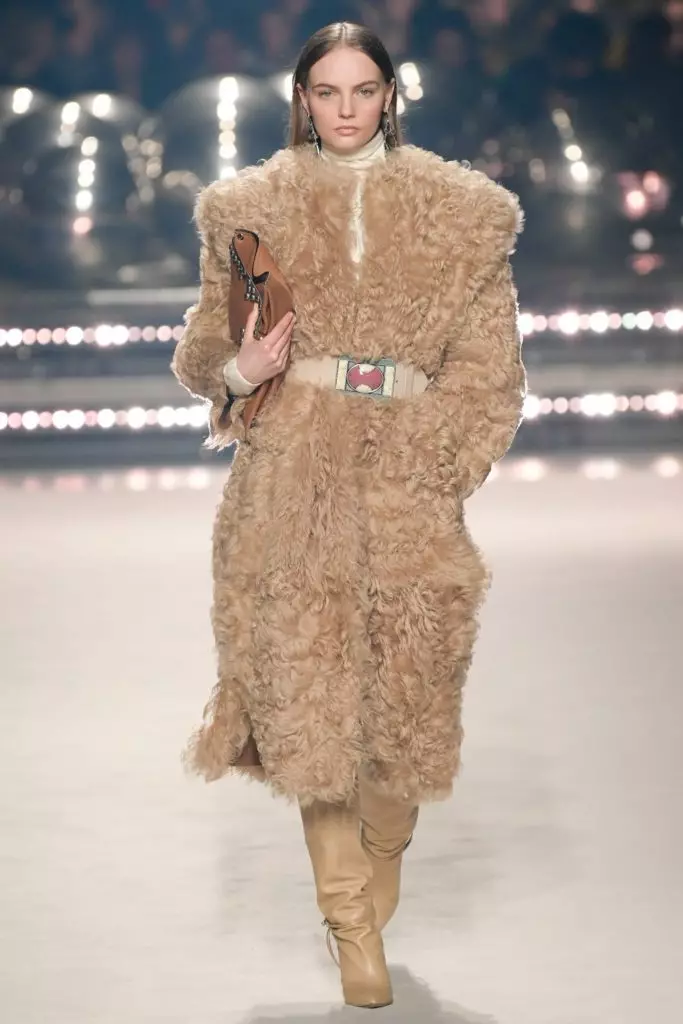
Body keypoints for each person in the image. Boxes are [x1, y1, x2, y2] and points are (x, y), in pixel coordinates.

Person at [171, 21, 525, 1010]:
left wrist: (434, 462)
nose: (342, 108)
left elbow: (491, 375)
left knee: (406, 705)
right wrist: (242, 370)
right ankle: (346, 917)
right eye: (325, 91)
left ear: (388, 96)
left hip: (407, 473)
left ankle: (381, 847)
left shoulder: (465, 216)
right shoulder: (248, 210)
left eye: (360, 89)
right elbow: (205, 343)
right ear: (301, 99)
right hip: (289, 473)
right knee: (308, 698)